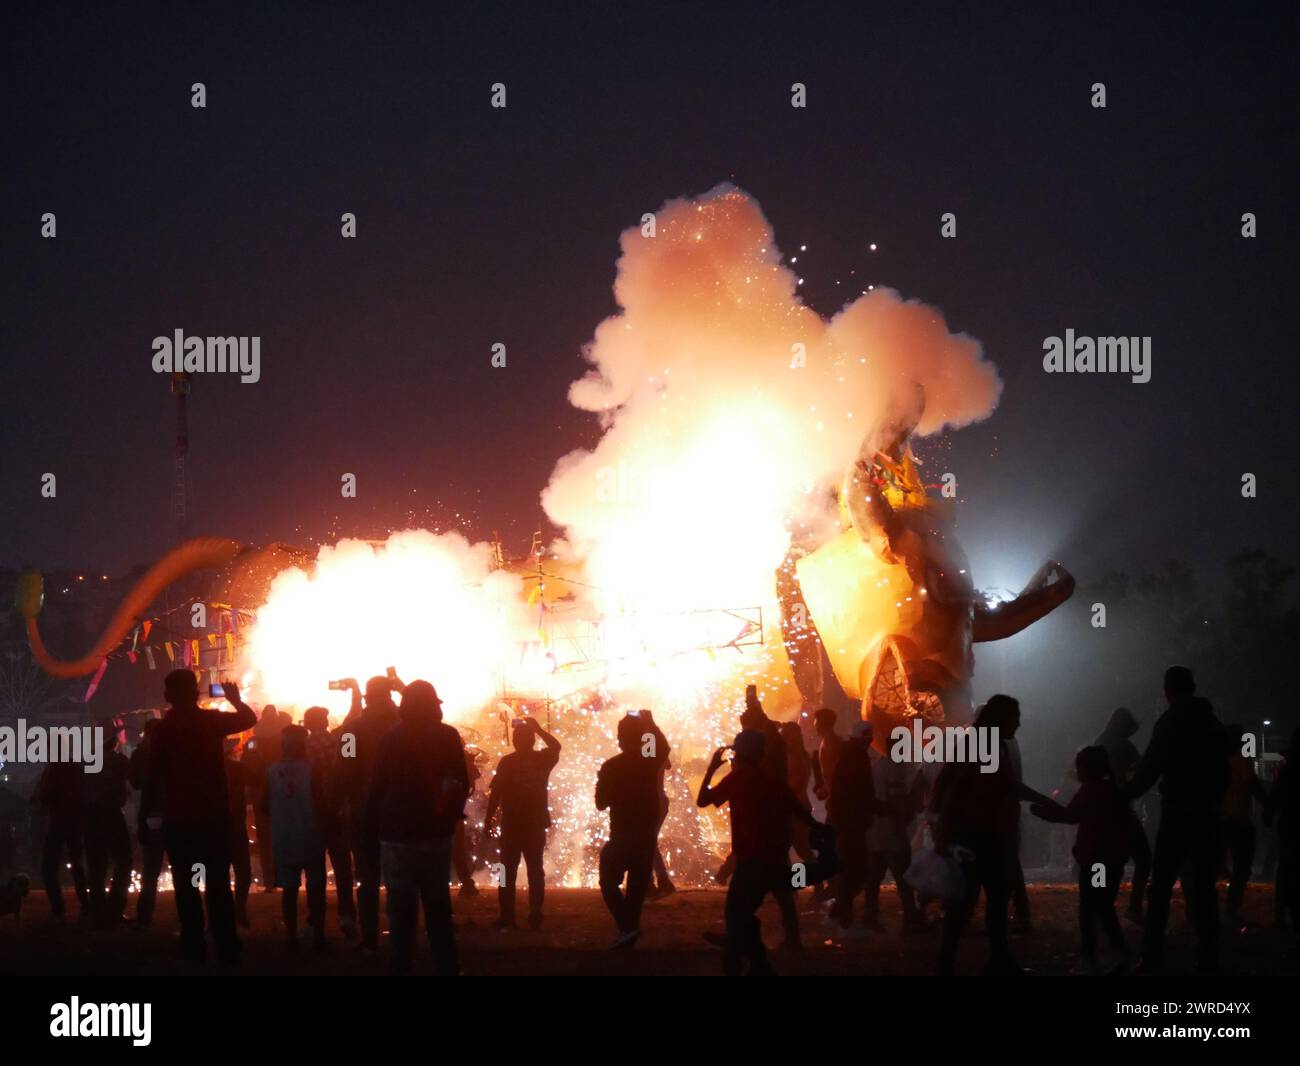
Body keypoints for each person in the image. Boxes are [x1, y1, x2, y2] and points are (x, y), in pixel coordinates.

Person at [140, 671, 256, 964]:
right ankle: (226, 944)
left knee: (188, 886)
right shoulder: (209, 721)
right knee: (217, 883)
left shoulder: (164, 730)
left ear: (168, 696)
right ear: (196, 694)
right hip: (214, 819)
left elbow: (152, 778)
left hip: (181, 822)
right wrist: (235, 700)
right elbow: (248, 719)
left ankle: (194, 946)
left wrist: (144, 817)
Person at [1124, 666, 1229, 973]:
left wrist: (1126, 793)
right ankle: (1209, 954)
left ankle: (1154, 953)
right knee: (1204, 886)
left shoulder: (1170, 722)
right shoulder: (1212, 724)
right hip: (1207, 813)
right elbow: (1222, 775)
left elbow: (1150, 767)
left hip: (1178, 811)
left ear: (1168, 690)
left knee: (1162, 885)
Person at [698, 729, 820, 976]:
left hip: (750, 861)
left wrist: (712, 768)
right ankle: (761, 964)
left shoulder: (737, 778)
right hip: (774, 856)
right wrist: (821, 830)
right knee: (751, 913)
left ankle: (744, 965)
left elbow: (702, 800)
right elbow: (799, 810)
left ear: (739, 755)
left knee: (736, 917)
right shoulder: (772, 780)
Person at [367, 681, 469, 975]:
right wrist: (449, 817)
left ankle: (400, 965)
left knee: (400, 908)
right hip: (436, 834)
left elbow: (377, 787)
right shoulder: (448, 736)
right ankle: (447, 965)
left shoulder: (389, 738)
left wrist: (370, 829)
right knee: (438, 905)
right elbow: (461, 782)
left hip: (397, 835)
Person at [932, 695, 1038, 975]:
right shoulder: (985, 744)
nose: (1019, 723)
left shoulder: (983, 742)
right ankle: (980, 961)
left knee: (982, 897)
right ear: (1002, 718)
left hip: (977, 832)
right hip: (975, 833)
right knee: (974, 900)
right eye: (1015, 717)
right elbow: (970, 786)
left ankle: (984, 959)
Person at [1031, 745, 1140, 973]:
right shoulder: (1113, 789)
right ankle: (1115, 953)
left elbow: (1071, 815)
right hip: (1112, 860)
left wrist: (1046, 813)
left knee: (1092, 907)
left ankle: (1096, 957)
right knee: (1102, 905)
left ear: (1086, 769)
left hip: (1097, 863)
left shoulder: (1091, 791)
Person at [336, 676, 402, 953]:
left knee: (367, 876)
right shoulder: (405, 727)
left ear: (366, 699)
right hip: (401, 811)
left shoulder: (351, 731)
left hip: (363, 812)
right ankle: (401, 936)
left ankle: (370, 936)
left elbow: (344, 770)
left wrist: (337, 801)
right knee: (401, 877)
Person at [595, 711, 668, 948]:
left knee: (608, 883)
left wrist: (603, 784)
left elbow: (600, 804)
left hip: (622, 834)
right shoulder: (648, 762)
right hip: (646, 835)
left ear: (620, 739)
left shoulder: (610, 766)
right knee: (636, 890)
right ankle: (629, 931)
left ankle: (627, 929)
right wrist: (650, 723)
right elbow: (663, 748)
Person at [484, 715, 561, 930]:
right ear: (533, 740)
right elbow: (556, 746)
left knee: (505, 870)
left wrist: (489, 818)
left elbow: (496, 793)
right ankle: (535, 914)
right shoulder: (542, 760)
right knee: (535, 870)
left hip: (512, 824)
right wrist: (538, 728)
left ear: (515, 741)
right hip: (534, 823)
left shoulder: (507, 762)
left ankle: (507, 916)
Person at [264, 724, 328, 952]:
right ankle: (318, 937)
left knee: (289, 890)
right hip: (310, 835)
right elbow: (321, 802)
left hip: (284, 838)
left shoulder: (271, 771)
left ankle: (291, 938)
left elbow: (263, 806)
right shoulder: (313, 769)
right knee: (316, 888)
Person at [828, 720, 890, 931]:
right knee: (856, 869)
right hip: (851, 822)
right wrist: (882, 808)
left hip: (848, 821)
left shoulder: (850, 756)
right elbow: (861, 793)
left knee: (853, 868)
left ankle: (842, 909)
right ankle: (843, 912)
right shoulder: (856, 759)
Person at [303, 705, 358, 935]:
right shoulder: (341, 739)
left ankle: (315, 920)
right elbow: (351, 765)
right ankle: (347, 917)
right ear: (325, 722)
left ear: (306, 724)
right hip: (338, 811)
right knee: (343, 867)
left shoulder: (302, 747)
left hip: (314, 813)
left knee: (315, 869)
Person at [1094, 706, 1150, 918]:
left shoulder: (1100, 743)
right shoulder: (1125, 746)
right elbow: (1141, 771)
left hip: (1101, 812)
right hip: (1121, 811)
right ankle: (1134, 904)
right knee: (1143, 859)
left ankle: (1100, 903)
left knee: (1105, 862)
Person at [865, 740, 924, 933]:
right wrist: (907, 813)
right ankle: (910, 919)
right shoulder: (895, 767)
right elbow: (896, 798)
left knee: (874, 878)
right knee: (903, 877)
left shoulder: (879, 765)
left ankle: (870, 917)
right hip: (892, 830)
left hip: (876, 831)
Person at [83, 718, 132, 927]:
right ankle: (114, 906)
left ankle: (97, 909)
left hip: (92, 816)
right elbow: (137, 780)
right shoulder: (119, 761)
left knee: (96, 864)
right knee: (124, 861)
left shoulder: (87, 761)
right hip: (111, 814)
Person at [1221, 722, 1268, 926]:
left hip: (1218, 821)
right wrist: (1268, 805)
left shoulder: (1215, 761)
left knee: (1212, 867)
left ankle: (1200, 910)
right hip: (1239, 821)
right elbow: (1253, 785)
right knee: (1242, 867)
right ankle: (1231, 909)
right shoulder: (1241, 761)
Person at [33, 759, 89, 923]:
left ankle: (59, 909)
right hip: (75, 822)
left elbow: (45, 793)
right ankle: (85, 905)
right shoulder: (75, 767)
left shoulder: (54, 768)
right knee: (77, 865)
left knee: (48, 867)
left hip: (59, 822)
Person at [128, 719, 165, 926]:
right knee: (185, 867)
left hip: (152, 816)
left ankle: (144, 917)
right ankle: (192, 917)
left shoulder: (142, 754)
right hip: (177, 815)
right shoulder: (175, 751)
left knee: (150, 870)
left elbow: (135, 783)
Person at [223, 737, 258, 928]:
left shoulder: (202, 771)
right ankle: (239, 908)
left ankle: (221, 914)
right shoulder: (237, 768)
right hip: (235, 827)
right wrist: (252, 756)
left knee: (216, 873)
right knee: (243, 871)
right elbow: (258, 780)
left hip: (214, 827)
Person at [249, 704, 284, 891]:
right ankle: (282, 878)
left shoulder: (254, 742)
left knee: (265, 838)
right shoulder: (284, 742)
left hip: (261, 792)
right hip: (282, 794)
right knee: (282, 836)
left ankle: (270, 881)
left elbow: (247, 764)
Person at [1269, 725, 1300, 931]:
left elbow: (1277, 796)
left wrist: (1268, 812)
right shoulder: (1288, 770)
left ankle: (1282, 915)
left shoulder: (1289, 770)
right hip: (1290, 826)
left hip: (1290, 826)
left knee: (1287, 871)